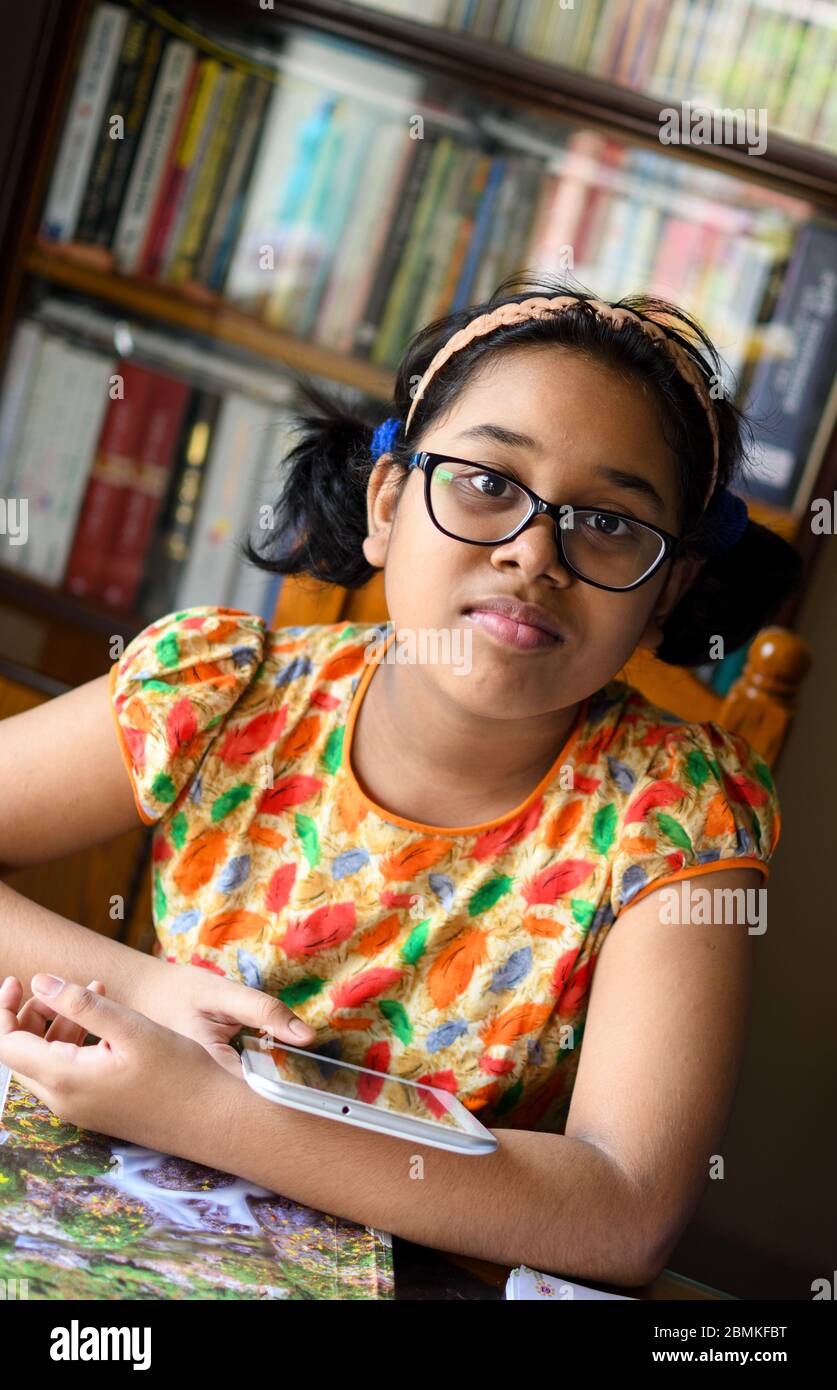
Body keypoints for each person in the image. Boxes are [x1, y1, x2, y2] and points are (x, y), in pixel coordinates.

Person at [0, 278, 801, 1286]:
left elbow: (624, 1211)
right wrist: (146, 992)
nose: (533, 553)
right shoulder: (223, 692)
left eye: (608, 524)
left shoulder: (672, 816)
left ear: (668, 589)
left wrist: (206, 1108)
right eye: (486, 482)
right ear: (387, 505)